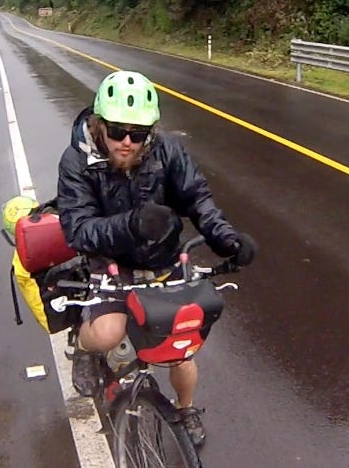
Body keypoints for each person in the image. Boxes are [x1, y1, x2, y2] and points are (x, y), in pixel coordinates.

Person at [56, 70, 257, 446]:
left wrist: (226, 238)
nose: (127, 142)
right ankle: (82, 350)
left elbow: (198, 198)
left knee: (182, 348)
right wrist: (132, 224)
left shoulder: (167, 151)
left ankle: (185, 409)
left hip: (162, 259)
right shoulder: (76, 161)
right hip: (110, 261)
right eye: (117, 131)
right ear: (100, 125)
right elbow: (78, 230)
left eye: (138, 133)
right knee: (109, 333)